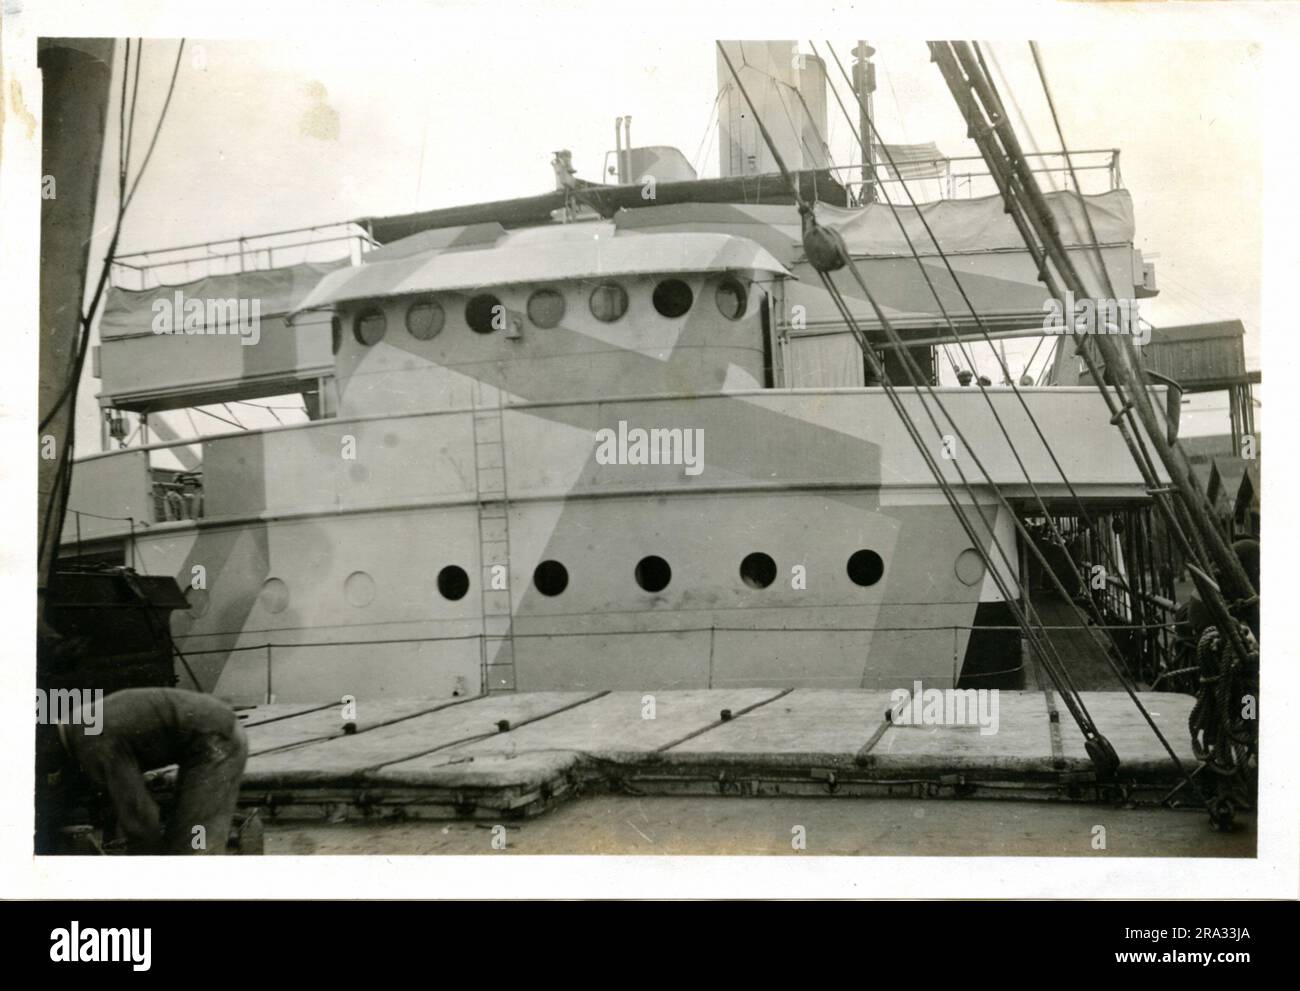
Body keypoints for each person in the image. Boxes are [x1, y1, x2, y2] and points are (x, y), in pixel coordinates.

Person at [51, 688, 248, 855]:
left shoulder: (90, 740)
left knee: (194, 846)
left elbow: (140, 817)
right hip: (209, 730)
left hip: (217, 739)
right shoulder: (80, 722)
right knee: (181, 841)